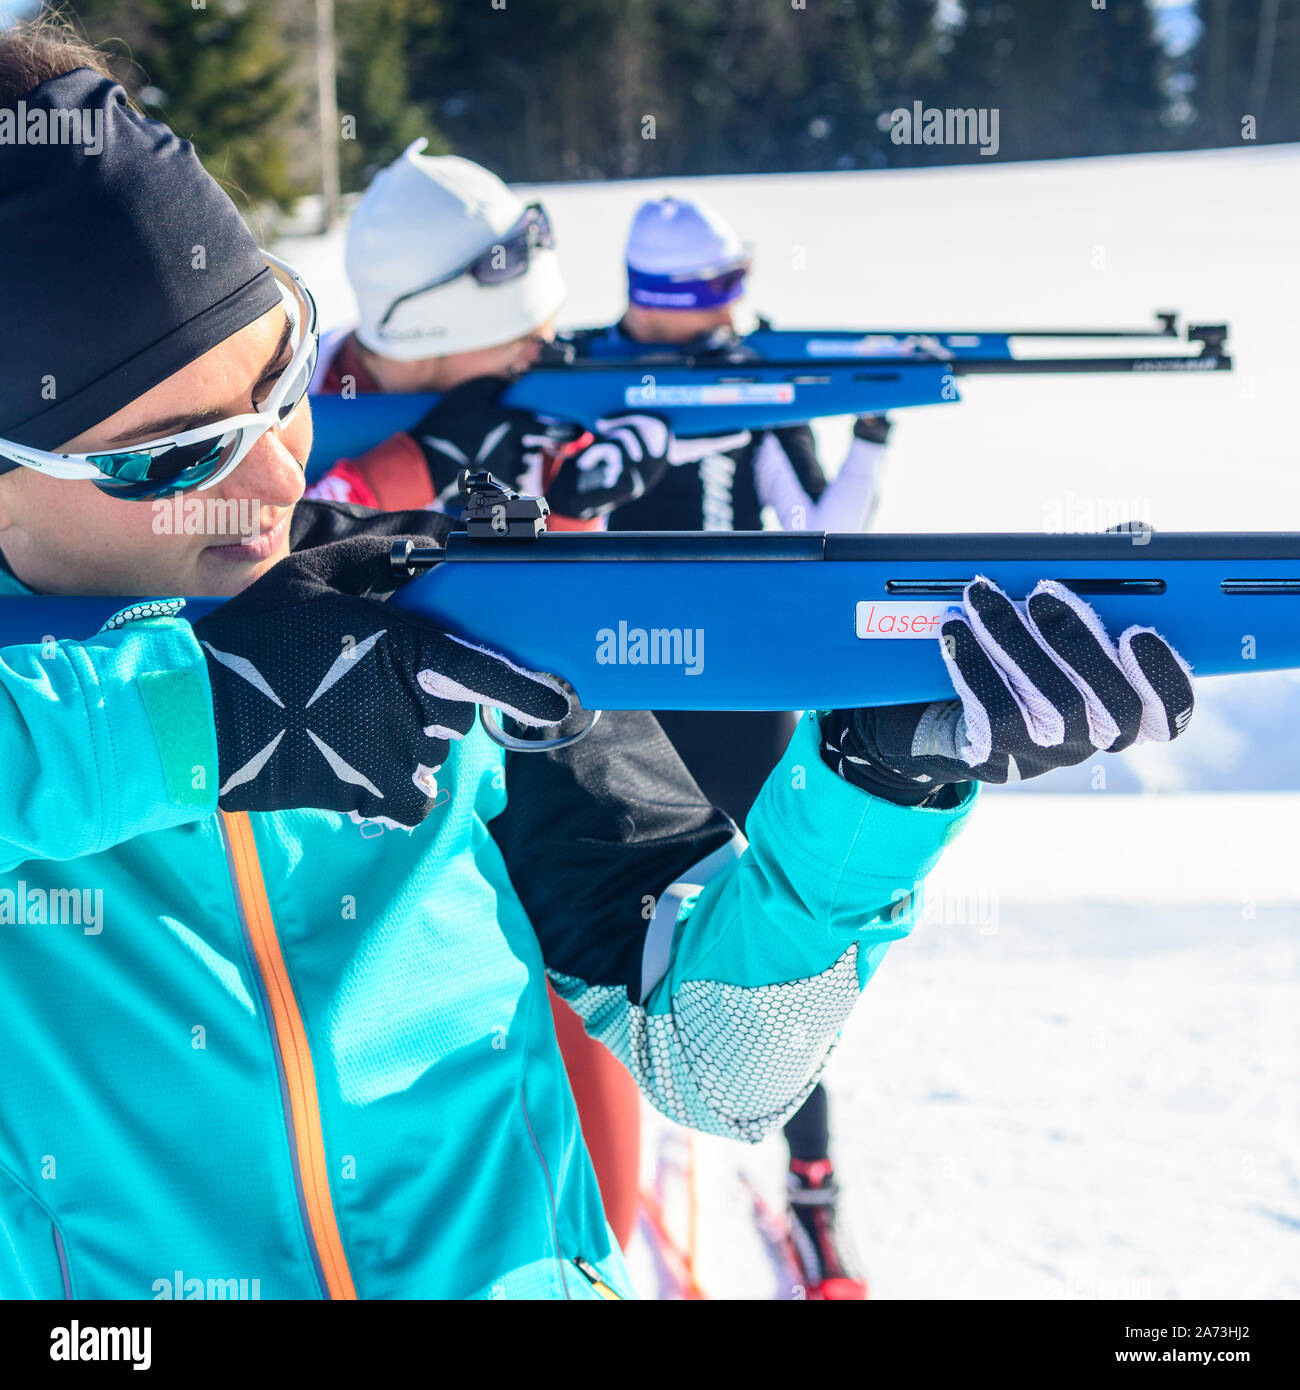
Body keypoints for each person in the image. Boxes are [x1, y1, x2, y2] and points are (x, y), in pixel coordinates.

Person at [0, 23, 1196, 1302]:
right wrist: (215, 712)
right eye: (170, 454)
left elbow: (723, 1068)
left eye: (284, 379)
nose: (280, 474)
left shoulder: (440, 625)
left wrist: (868, 795)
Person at [304, 144, 664, 1248]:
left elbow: (544, 622)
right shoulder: (303, 417)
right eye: (517, 353)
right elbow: (295, 551)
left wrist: (580, 504)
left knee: (597, 1181)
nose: (548, 355)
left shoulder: (506, 395)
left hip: (538, 813)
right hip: (367, 889)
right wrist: (436, 465)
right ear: (430, 345)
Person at [566, 194, 899, 1297]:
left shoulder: (756, 383)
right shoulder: (569, 381)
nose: (723, 311)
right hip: (614, 697)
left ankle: (814, 1190)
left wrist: (875, 425)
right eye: (709, 291)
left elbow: (826, 538)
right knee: (578, 940)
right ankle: (580, 1172)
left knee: (778, 949)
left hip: (739, 694)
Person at [305, 141, 668, 538]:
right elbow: (257, 575)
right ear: (418, 352)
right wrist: (414, 470)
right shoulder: (282, 404)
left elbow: (537, 595)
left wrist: (570, 515)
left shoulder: (533, 420)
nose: (543, 360)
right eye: (519, 348)